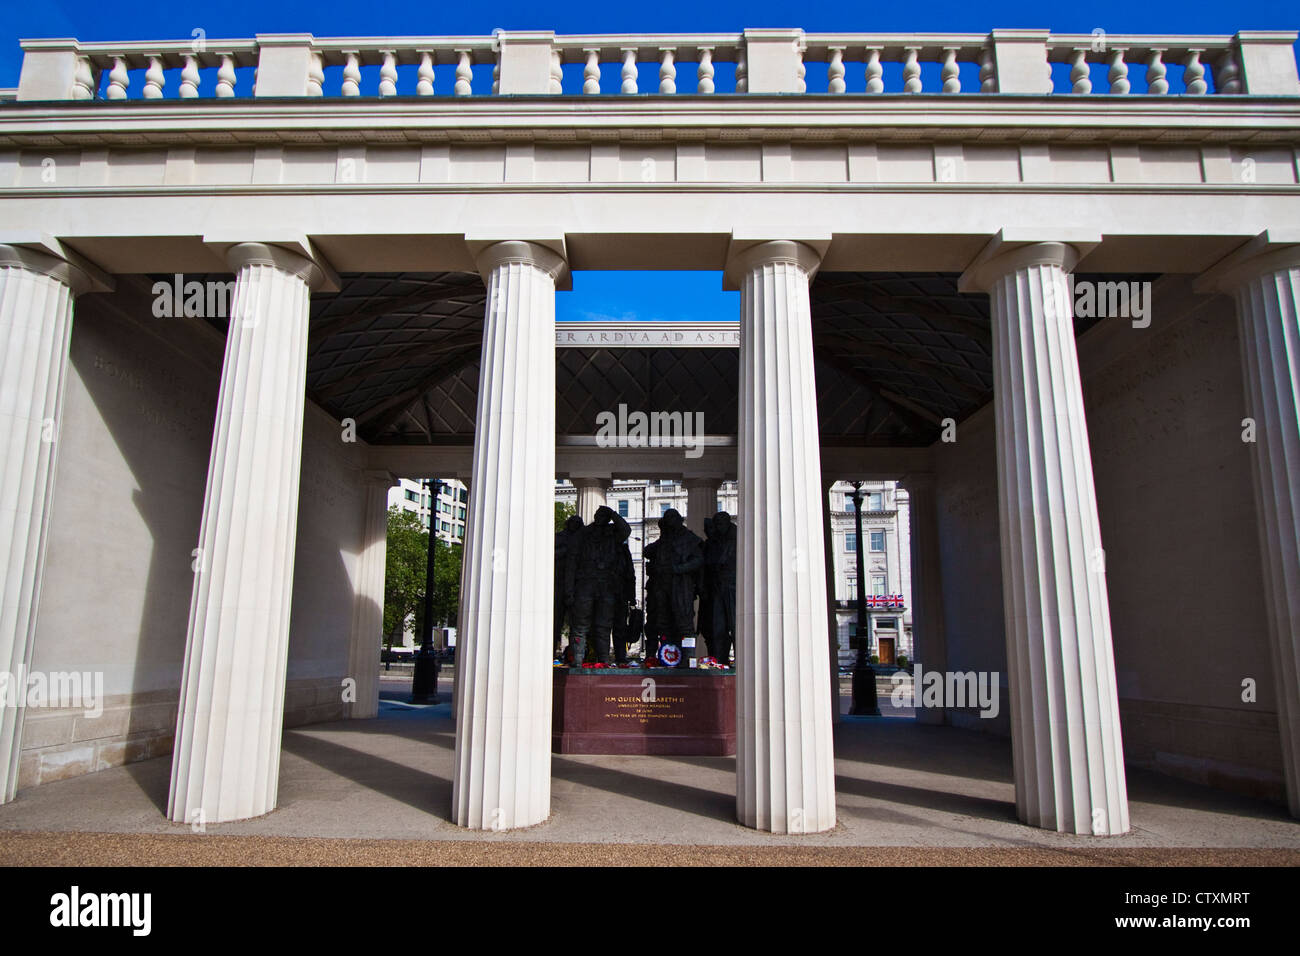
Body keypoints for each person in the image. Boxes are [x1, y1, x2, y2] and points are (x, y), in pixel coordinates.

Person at [565, 505, 631, 665]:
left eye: (604, 515)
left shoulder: (612, 534)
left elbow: (626, 530)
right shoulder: (582, 534)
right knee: (580, 626)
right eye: (599, 514)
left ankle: (604, 661)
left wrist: (613, 514)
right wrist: (569, 590)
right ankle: (578, 662)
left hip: (606, 586)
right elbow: (571, 563)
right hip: (585, 584)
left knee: (604, 626)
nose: (601, 518)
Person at [645, 509, 703, 667]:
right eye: (666, 520)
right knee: (663, 623)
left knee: (685, 624)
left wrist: (678, 568)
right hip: (662, 586)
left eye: (671, 519)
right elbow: (647, 551)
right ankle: (668, 657)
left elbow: (698, 560)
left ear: (678, 520)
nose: (669, 523)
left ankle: (689, 658)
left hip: (681, 586)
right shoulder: (664, 540)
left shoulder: (689, 539)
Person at [702, 511, 737, 666]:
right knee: (718, 628)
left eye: (721, 524)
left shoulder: (738, 540)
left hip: (734, 587)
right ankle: (720, 660)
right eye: (717, 524)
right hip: (718, 588)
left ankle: (740, 659)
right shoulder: (712, 543)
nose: (718, 527)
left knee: (736, 626)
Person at [553, 513, 584, 658]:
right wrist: (568, 551)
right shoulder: (559, 537)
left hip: (577, 586)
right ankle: (552, 650)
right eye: (574, 522)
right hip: (558, 584)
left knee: (577, 624)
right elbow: (550, 554)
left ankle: (574, 654)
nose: (575, 526)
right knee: (555, 621)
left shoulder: (582, 541)